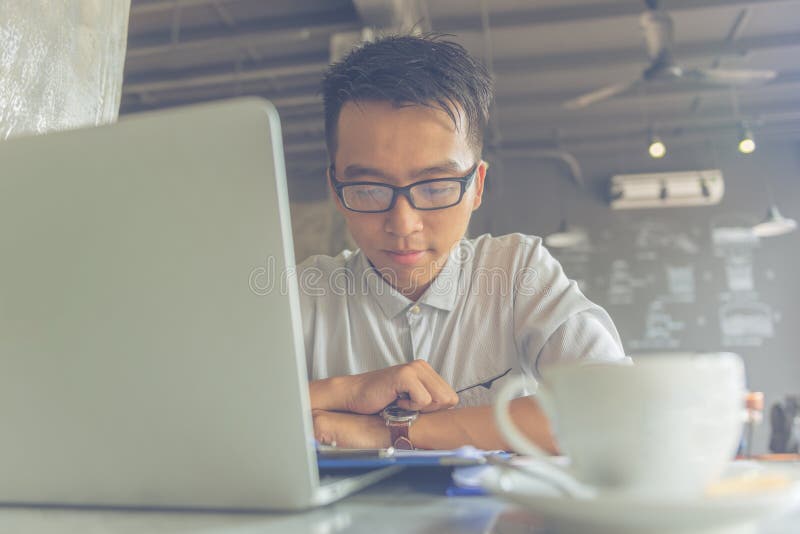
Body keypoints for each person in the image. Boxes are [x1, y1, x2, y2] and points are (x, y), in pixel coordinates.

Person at [300, 34, 627, 452]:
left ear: (476, 187)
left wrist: (390, 432)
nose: (404, 224)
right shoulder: (303, 295)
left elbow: (616, 407)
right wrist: (347, 392)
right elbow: (206, 419)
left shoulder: (516, 271)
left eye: (436, 186)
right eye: (368, 188)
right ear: (335, 188)